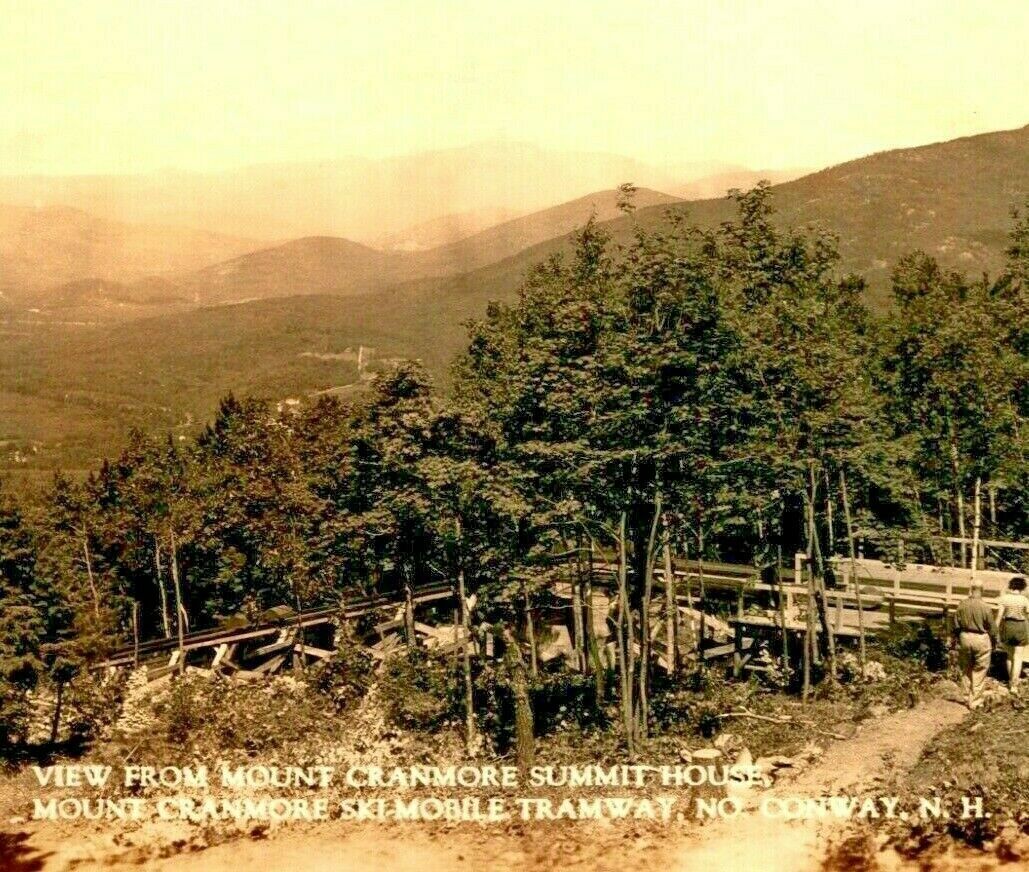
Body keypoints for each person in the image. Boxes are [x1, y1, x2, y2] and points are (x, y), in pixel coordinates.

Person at [953, 581, 996, 709]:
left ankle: (966, 696)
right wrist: (994, 640)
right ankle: (975, 701)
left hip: (965, 636)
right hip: (981, 638)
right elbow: (992, 628)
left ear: (971, 590)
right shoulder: (985, 607)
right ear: (982, 590)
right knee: (980, 669)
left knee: (965, 668)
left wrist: (956, 639)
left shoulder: (962, 605)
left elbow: (956, 624)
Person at [996, 576, 1029, 693]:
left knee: (1009, 656)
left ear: (1011, 586)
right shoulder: (1024, 600)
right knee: (1018, 657)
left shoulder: (1004, 598)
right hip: (1020, 626)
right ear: (1022, 587)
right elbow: (1027, 614)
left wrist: (995, 630)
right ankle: (1014, 685)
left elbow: (999, 616)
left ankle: (1010, 681)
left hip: (1008, 626)